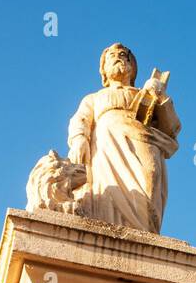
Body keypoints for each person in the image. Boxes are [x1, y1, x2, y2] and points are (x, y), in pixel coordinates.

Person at [68, 43, 181, 234]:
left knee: (150, 175)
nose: (118, 57)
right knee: (108, 190)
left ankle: (145, 233)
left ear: (132, 68)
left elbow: (171, 128)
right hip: (106, 148)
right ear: (103, 70)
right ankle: (108, 229)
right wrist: (79, 138)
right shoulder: (94, 98)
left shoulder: (146, 94)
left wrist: (160, 96)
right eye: (111, 56)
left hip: (144, 143)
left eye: (123, 55)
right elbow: (79, 120)